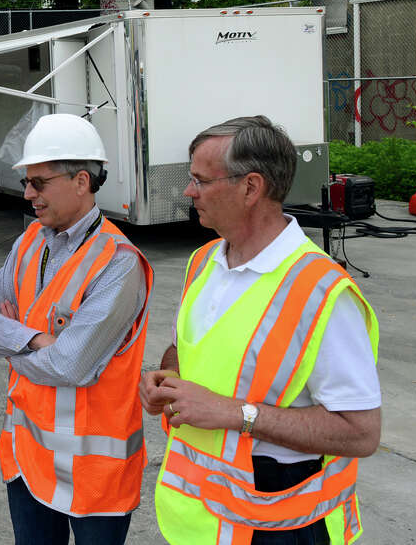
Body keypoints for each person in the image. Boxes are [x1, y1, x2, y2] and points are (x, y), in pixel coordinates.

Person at [141, 116, 380, 545]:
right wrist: (169, 377)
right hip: (200, 519)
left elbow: (361, 432)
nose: (187, 191)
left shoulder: (321, 292)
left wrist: (235, 413)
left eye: (200, 180)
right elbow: (191, 349)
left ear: (250, 188)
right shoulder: (204, 261)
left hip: (279, 522)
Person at [0, 114, 153, 545]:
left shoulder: (118, 262)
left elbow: (71, 364)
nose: (28, 193)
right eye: (28, 181)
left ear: (82, 181)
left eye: (39, 182)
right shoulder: (28, 242)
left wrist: (10, 340)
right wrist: (35, 339)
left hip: (94, 476)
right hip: (26, 459)